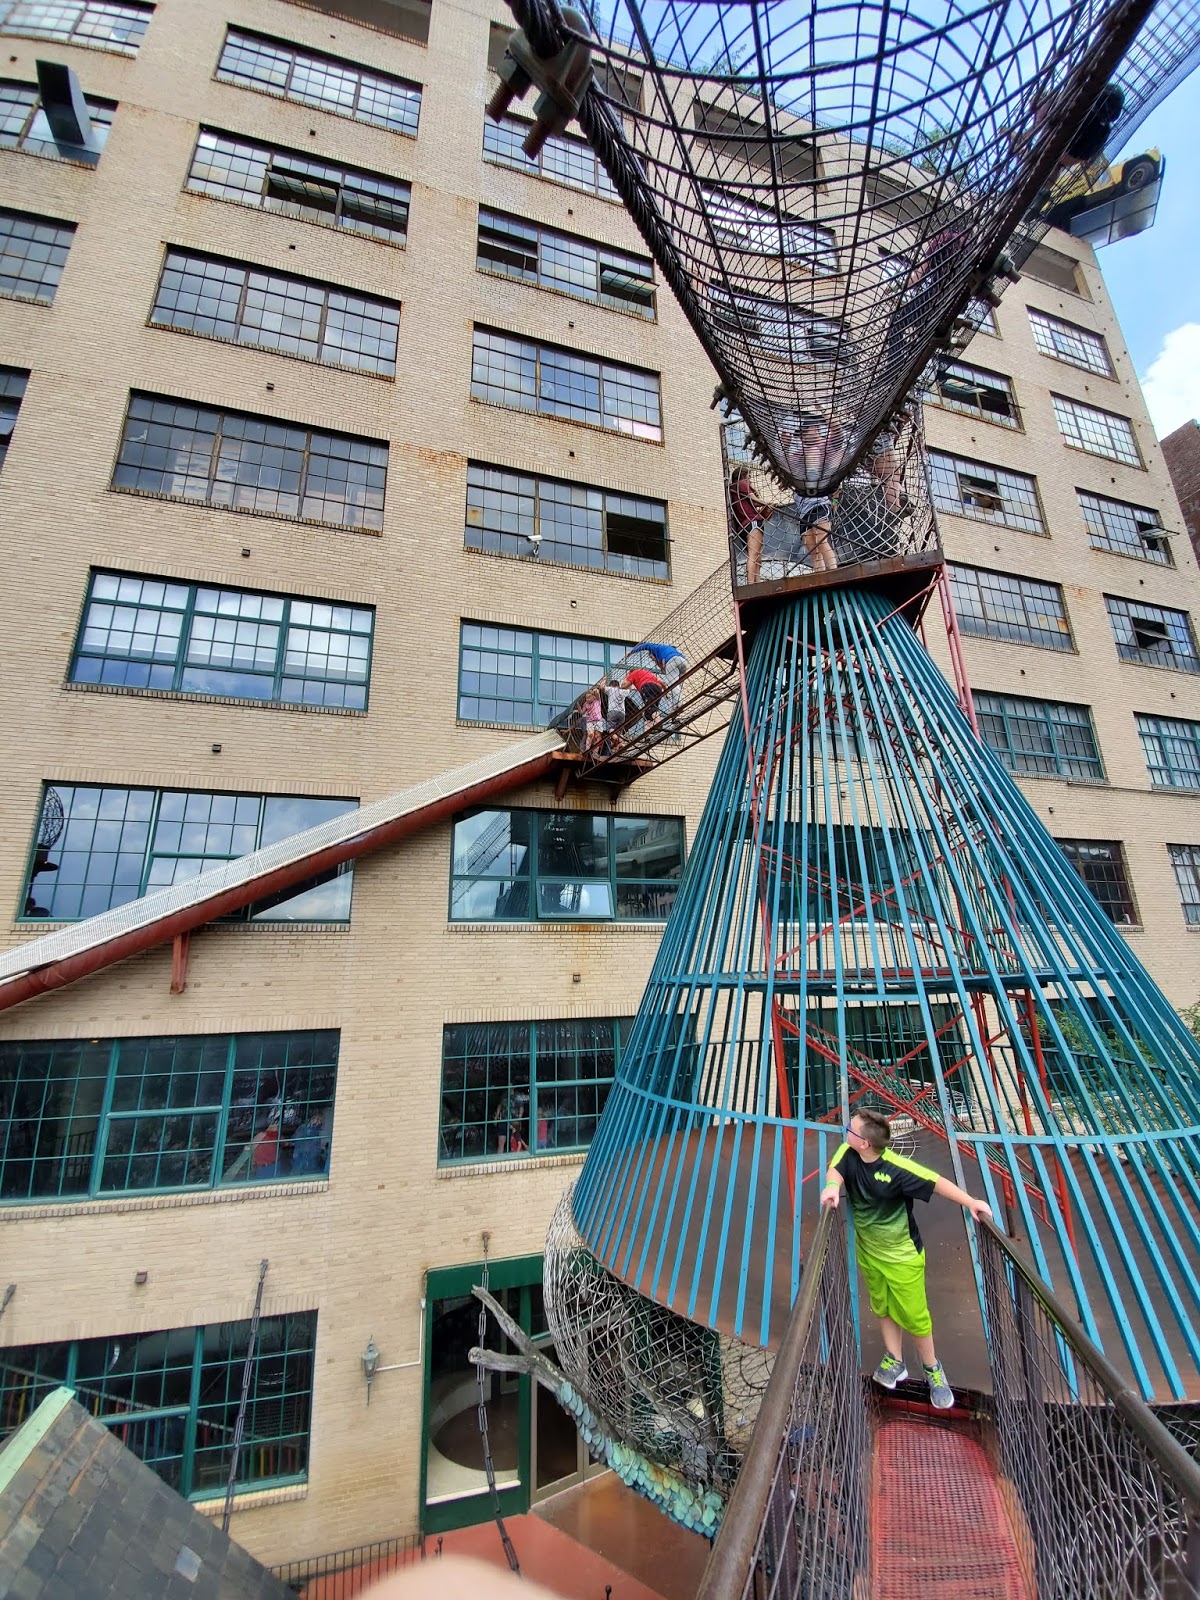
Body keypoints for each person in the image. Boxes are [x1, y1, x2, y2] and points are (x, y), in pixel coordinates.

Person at [820, 1109, 993, 1410]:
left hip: (903, 1257)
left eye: (851, 1128)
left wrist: (971, 1203)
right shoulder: (848, 1151)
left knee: (915, 1317)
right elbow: (835, 1169)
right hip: (870, 1253)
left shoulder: (897, 1169)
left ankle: (933, 1370)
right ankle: (895, 1359)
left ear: (865, 1144)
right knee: (882, 1306)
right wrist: (832, 1187)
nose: (845, 1130)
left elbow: (935, 1181)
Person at [729, 465, 773, 583]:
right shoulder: (742, 484)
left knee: (757, 557)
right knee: (754, 555)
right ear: (743, 476)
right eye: (749, 477)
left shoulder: (735, 490)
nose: (750, 480)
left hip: (745, 525)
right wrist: (767, 503)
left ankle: (755, 582)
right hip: (752, 522)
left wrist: (765, 507)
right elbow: (754, 499)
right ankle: (752, 583)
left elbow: (754, 504)